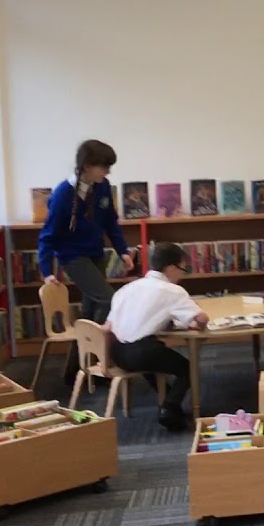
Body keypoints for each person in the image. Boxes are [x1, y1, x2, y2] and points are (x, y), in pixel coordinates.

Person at [39, 139, 134, 382]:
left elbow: (110, 222)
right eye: (104, 166)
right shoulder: (63, 195)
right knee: (108, 299)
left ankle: (75, 372)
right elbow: (48, 235)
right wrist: (47, 271)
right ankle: (103, 358)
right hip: (72, 256)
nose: (108, 171)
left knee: (90, 313)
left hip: (95, 254)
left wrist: (122, 250)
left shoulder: (102, 187)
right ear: (88, 166)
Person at [106, 242, 208, 431]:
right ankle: (169, 408)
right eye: (182, 269)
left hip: (117, 352)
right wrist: (197, 325)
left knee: (152, 365)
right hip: (143, 352)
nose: (182, 274)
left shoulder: (127, 288)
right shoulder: (172, 290)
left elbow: (107, 326)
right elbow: (202, 317)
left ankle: (170, 403)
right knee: (188, 369)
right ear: (170, 268)